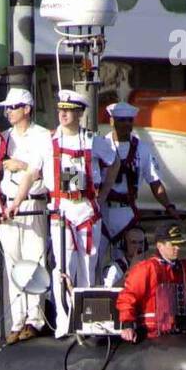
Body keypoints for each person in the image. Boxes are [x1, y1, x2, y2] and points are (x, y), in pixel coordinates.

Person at [44, 89, 119, 336]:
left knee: (88, 266)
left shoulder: (93, 141)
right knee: (63, 267)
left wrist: (105, 192)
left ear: (79, 113)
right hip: (62, 211)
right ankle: (63, 318)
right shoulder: (50, 141)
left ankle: (85, 319)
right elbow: (34, 171)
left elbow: (114, 162)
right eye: (61, 110)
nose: (63, 114)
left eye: (68, 110)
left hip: (87, 211)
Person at [0, 89, 54, 344]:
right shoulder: (4, 138)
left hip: (32, 205)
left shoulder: (41, 137)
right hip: (8, 207)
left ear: (27, 109)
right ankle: (17, 321)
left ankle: (35, 318)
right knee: (13, 265)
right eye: (6, 108)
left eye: (13, 107)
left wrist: (20, 165)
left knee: (33, 262)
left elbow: (44, 174)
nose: (8, 112)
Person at [99, 100, 177, 259]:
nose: (126, 124)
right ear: (112, 121)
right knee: (94, 261)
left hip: (127, 214)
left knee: (126, 262)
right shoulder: (101, 145)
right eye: (122, 120)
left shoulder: (142, 149)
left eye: (129, 120)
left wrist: (168, 206)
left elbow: (155, 182)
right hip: (102, 212)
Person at [116, 222, 186, 341]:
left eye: (179, 245)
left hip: (176, 333)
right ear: (160, 246)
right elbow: (128, 297)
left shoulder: (183, 268)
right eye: (173, 245)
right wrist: (127, 325)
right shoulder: (146, 268)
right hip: (151, 334)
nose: (178, 248)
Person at [103, 224, 148, 288]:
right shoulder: (114, 268)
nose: (138, 246)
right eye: (133, 242)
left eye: (141, 242)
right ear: (125, 244)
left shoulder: (150, 265)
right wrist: (131, 269)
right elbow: (109, 292)